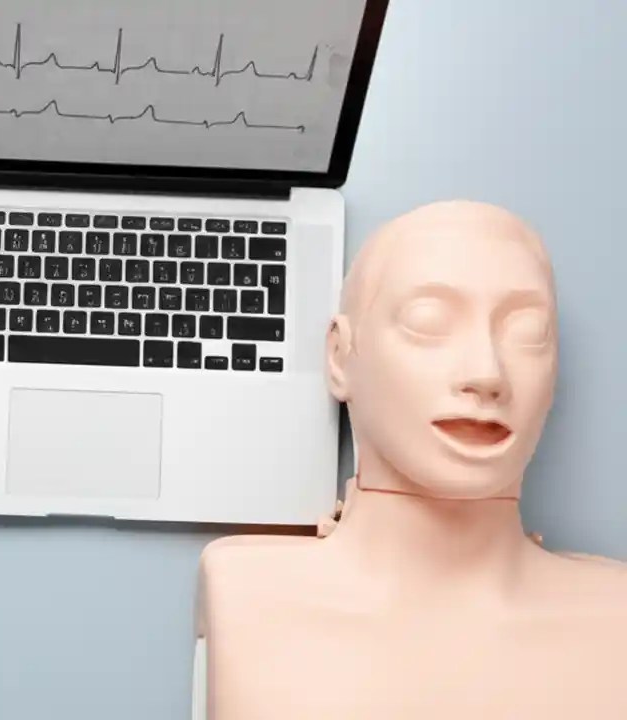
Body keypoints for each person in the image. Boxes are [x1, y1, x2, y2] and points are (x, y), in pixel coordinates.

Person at [194, 200, 627, 720]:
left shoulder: (613, 613)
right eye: (429, 321)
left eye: (528, 331)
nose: (487, 372)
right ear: (339, 357)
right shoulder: (245, 591)